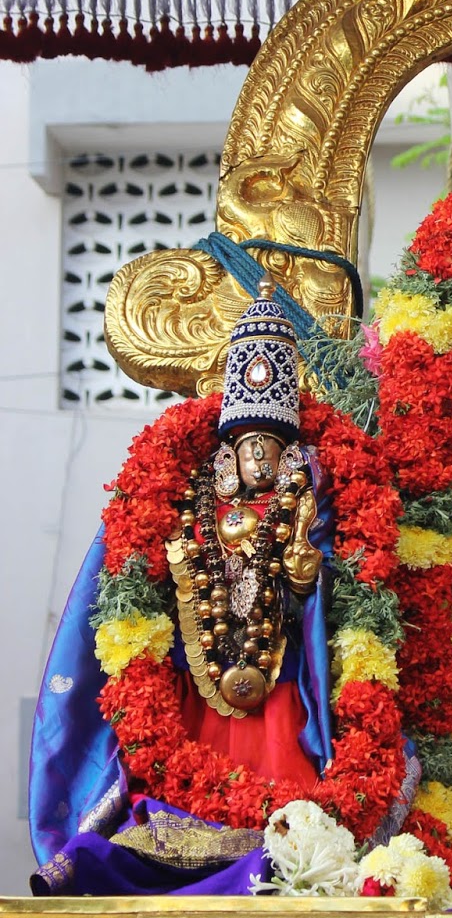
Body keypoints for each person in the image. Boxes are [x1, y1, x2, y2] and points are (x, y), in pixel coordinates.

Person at [29, 283, 336, 895]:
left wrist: (304, 574)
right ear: (230, 448)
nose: (259, 460)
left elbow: (317, 592)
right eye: (249, 446)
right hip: (199, 684)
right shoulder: (194, 502)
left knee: (289, 814)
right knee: (178, 792)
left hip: (276, 683)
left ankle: (276, 850)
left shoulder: (304, 501)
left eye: (270, 448)